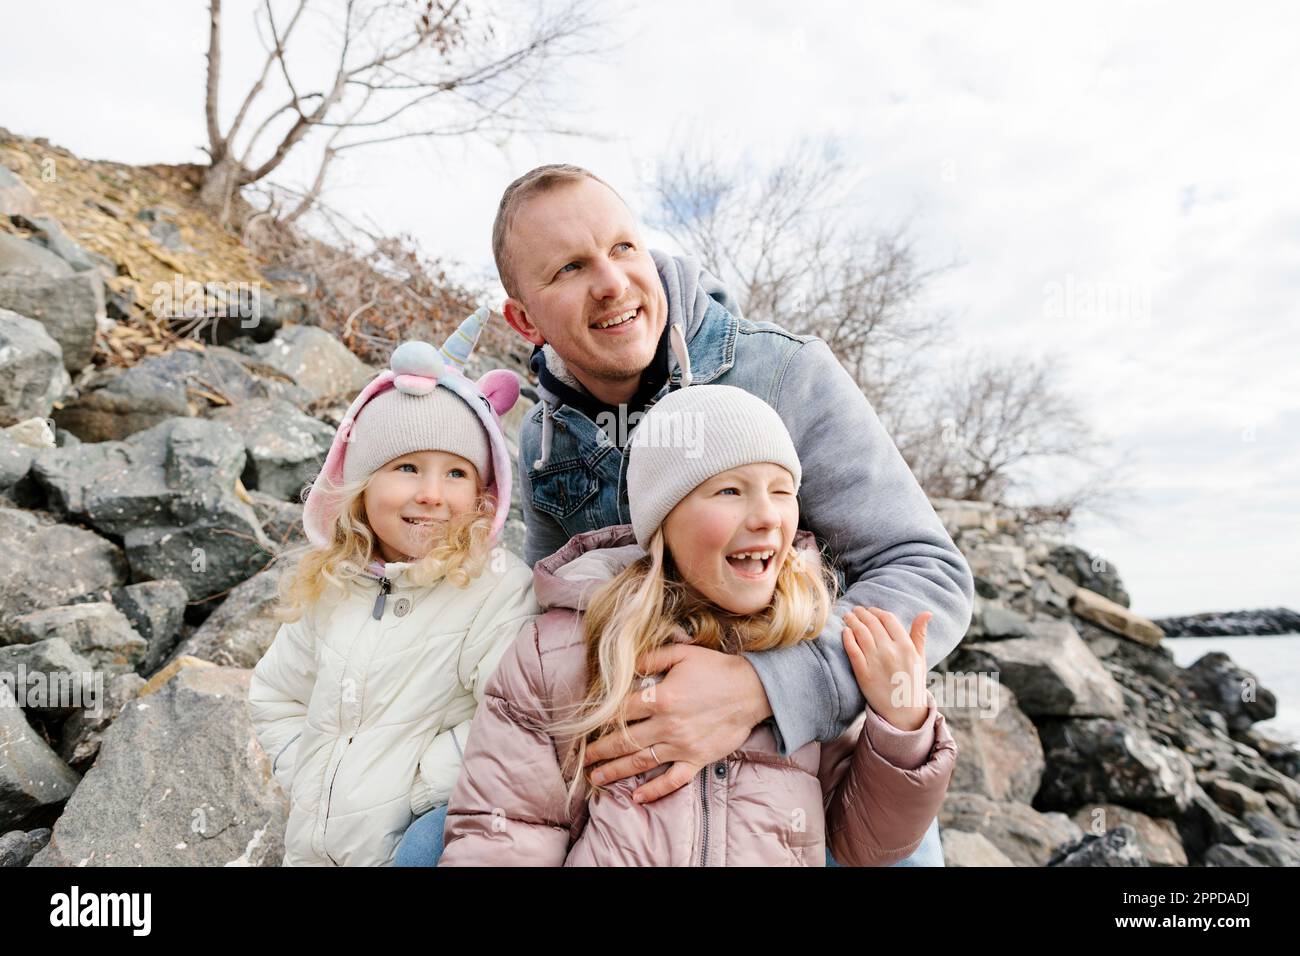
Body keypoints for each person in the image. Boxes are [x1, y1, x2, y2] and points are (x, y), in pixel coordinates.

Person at [491, 164, 973, 864]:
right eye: (569, 268)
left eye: (624, 247)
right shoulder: (542, 441)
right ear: (524, 318)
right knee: (431, 841)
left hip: (813, 757)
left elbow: (925, 570)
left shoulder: (785, 374)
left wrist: (763, 691)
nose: (613, 283)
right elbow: (548, 617)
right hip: (640, 769)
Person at [439, 384, 957, 865]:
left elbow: (865, 842)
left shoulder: (807, 642)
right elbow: (506, 833)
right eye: (730, 491)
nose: (767, 517)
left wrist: (902, 730)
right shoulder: (563, 648)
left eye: (782, 491)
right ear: (663, 518)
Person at [246, 309, 540, 866]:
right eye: (407, 467)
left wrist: (417, 790)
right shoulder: (333, 584)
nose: (432, 494)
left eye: (456, 474)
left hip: (415, 845)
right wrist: (308, 776)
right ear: (361, 482)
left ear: (482, 494)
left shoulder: (496, 591)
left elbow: (511, 717)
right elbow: (275, 694)